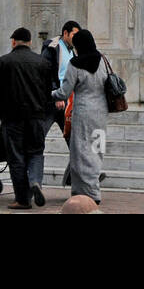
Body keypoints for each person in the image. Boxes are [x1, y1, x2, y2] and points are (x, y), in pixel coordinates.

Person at [0, 26, 56, 209]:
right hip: (36, 117)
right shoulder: (42, 63)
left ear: (13, 42)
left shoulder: (3, 62)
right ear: (30, 42)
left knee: (16, 157)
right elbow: (47, 91)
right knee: (35, 152)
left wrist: (1, 111)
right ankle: (35, 181)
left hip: (12, 118)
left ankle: (22, 199)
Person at [51, 27, 109, 204]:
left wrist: (50, 94)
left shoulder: (75, 64)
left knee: (80, 152)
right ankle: (80, 192)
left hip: (83, 113)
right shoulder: (103, 60)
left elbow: (64, 92)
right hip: (101, 113)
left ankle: (90, 193)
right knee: (96, 150)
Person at [40, 20, 79, 137]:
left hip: (67, 101)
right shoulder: (53, 48)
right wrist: (56, 94)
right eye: (74, 35)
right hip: (52, 99)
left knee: (71, 137)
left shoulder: (72, 51)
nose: (76, 39)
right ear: (66, 33)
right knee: (40, 136)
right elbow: (45, 72)